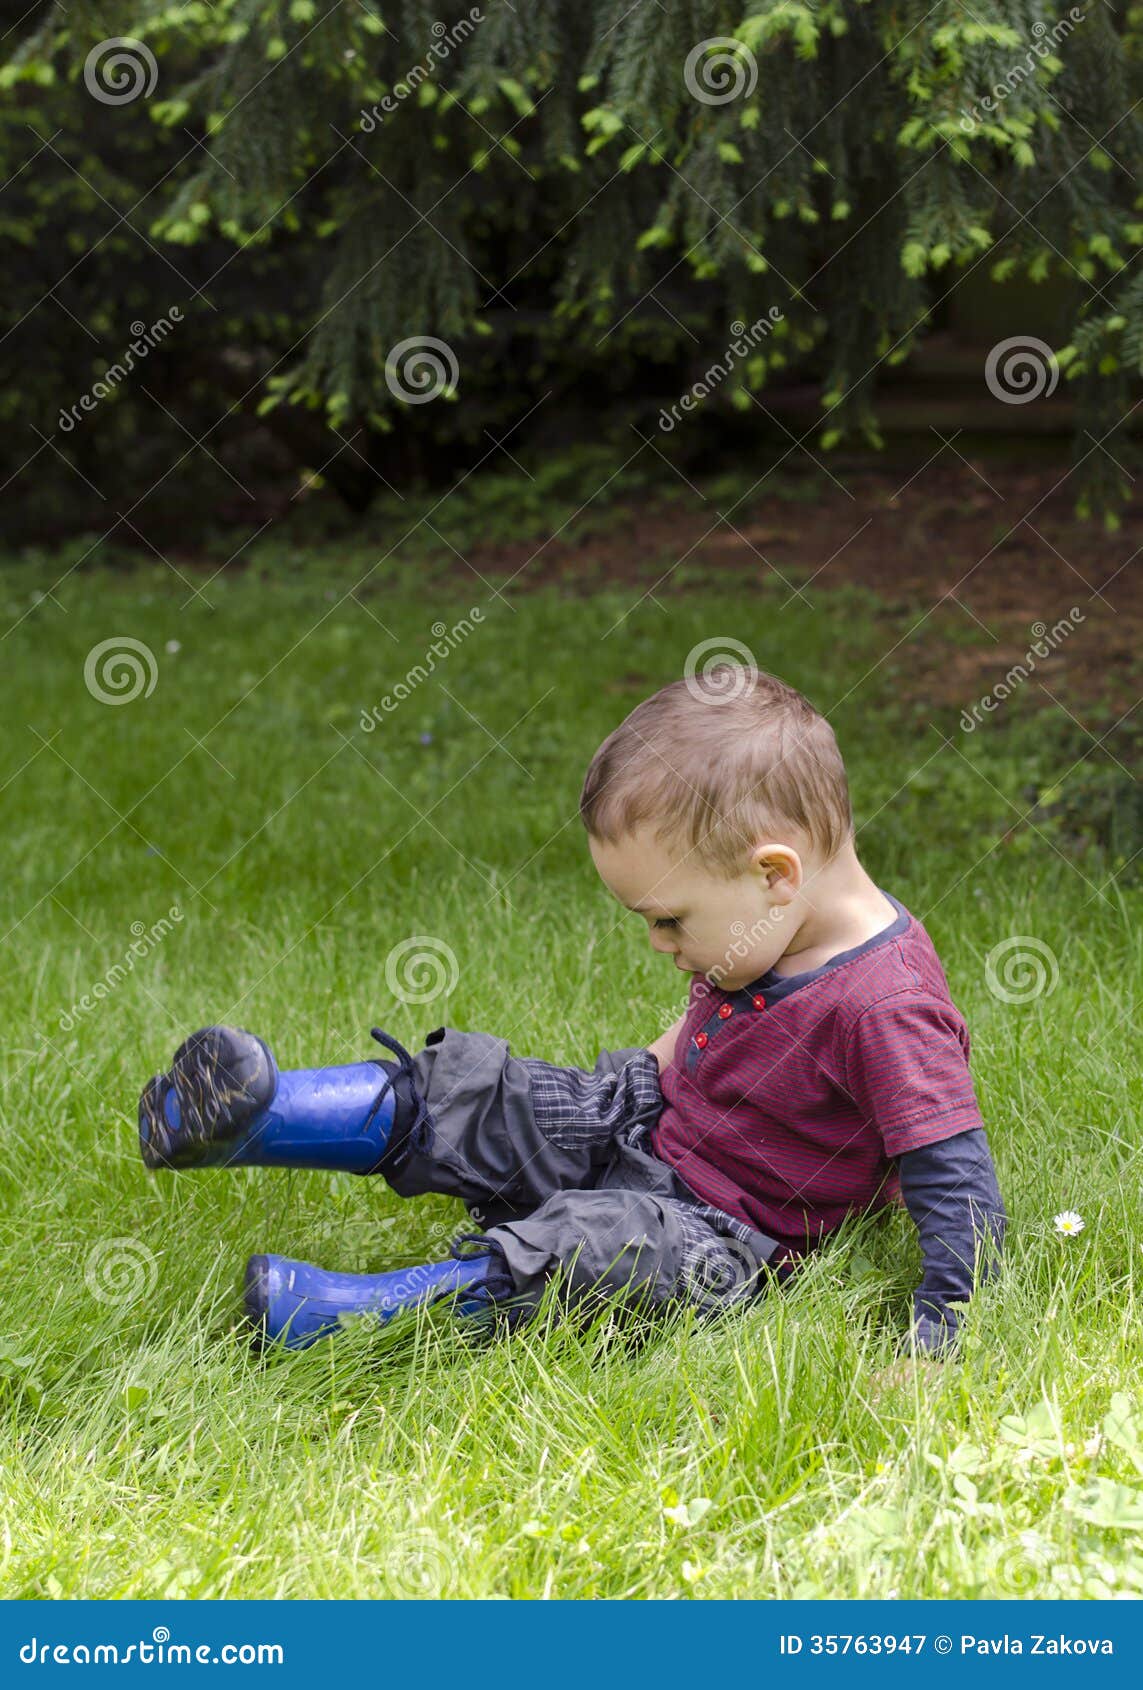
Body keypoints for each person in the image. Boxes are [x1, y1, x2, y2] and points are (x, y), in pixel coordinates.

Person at [138, 666, 1006, 1353]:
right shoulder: (767, 928)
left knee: (596, 1249)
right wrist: (588, 1117)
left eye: (669, 921)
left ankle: (352, 1316)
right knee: (491, 1095)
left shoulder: (884, 1006)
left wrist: (939, 1332)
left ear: (773, 874)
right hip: (646, 1123)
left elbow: (957, 1182)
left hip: (725, 1234)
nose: (661, 944)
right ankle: (258, 1115)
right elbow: (702, 1038)